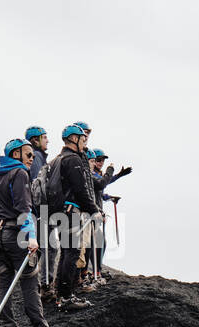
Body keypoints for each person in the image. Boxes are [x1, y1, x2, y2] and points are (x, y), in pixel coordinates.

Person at [0, 139, 65, 327]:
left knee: (4, 282)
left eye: (33, 155)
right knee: (30, 285)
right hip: (18, 236)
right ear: (16, 154)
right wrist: (31, 236)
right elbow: (24, 209)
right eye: (28, 154)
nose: (32, 159)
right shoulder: (20, 174)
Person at [51, 124, 101, 311]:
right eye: (82, 138)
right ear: (74, 139)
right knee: (71, 253)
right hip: (72, 211)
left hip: (60, 210)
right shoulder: (73, 160)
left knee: (66, 253)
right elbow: (80, 189)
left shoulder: (57, 159)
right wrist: (93, 209)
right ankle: (66, 297)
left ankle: (61, 293)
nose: (84, 142)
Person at [90, 149, 132, 280]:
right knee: (97, 242)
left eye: (103, 160)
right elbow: (103, 182)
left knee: (100, 242)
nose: (101, 162)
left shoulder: (97, 175)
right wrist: (116, 174)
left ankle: (96, 270)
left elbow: (101, 192)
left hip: (96, 212)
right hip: (92, 213)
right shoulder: (91, 175)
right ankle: (94, 271)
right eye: (98, 160)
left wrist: (109, 197)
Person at [24, 125, 51, 290]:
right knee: (43, 246)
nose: (48, 140)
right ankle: (41, 285)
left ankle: (39, 284)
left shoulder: (39, 157)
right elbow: (36, 185)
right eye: (45, 137)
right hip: (39, 210)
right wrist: (41, 209)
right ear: (35, 140)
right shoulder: (37, 157)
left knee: (44, 246)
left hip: (37, 210)